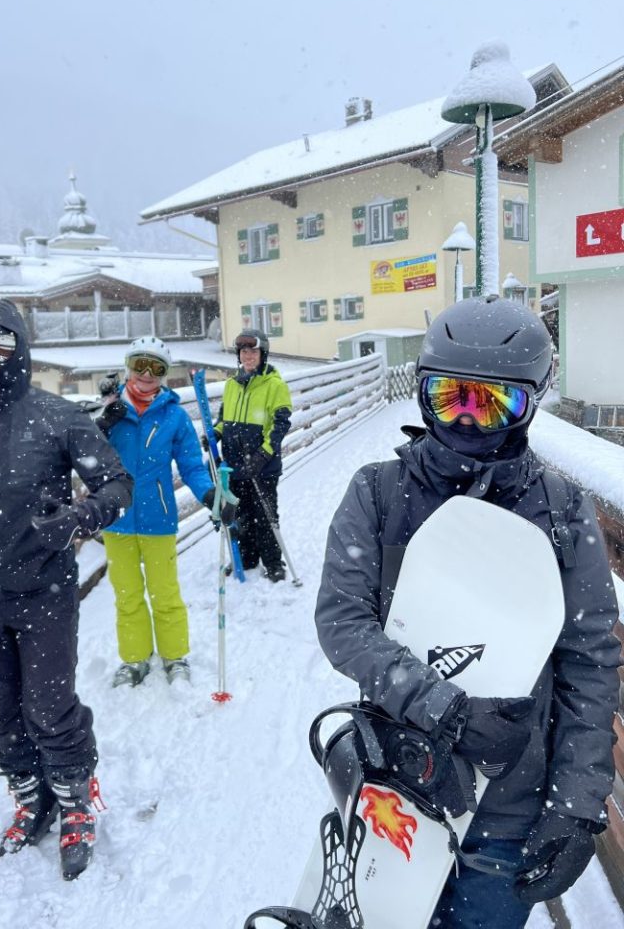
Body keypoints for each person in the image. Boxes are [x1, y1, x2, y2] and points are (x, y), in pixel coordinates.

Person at [315, 295, 620, 929]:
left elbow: (589, 659)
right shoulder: (378, 492)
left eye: (494, 403)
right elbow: (344, 622)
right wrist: (443, 708)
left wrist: (578, 803)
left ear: (530, 404)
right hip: (397, 783)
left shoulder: (562, 511)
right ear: (422, 395)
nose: (469, 421)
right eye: (450, 397)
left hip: (511, 805)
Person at [0, 298, 133, 881]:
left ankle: (74, 800)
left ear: (19, 349)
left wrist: (78, 520)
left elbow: (116, 485)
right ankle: (31, 796)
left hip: (44, 594)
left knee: (48, 706)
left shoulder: (59, 418)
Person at [96, 336, 236, 688]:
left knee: (165, 593)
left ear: (163, 374)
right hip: (117, 519)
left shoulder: (173, 416)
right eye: (139, 365)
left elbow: (191, 463)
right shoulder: (109, 410)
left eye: (155, 367)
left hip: (158, 518)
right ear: (128, 367)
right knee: (127, 596)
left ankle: (174, 656)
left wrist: (208, 494)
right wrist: (102, 423)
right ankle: (135, 660)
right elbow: (85, 457)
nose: (146, 374)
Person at [211, 329, 292, 581]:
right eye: (244, 351)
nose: (248, 356)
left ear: (262, 354)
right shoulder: (231, 385)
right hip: (234, 465)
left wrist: (263, 454)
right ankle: (246, 557)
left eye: (253, 351)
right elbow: (225, 419)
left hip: (261, 465)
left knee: (265, 515)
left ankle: (273, 562)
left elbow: (281, 424)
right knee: (241, 513)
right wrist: (215, 433)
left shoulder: (274, 385)